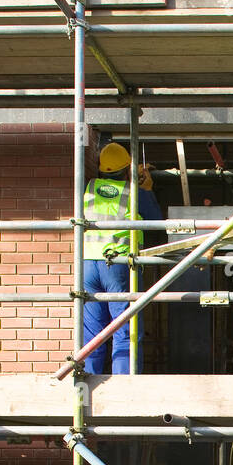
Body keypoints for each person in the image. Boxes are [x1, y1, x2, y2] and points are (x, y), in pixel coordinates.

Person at [82, 142, 162, 374]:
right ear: (127, 169)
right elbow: (155, 220)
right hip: (115, 264)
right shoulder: (132, 192)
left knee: (93, 332)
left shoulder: (89, 187)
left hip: (87, 265)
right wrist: (147, 188)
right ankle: (124, 385)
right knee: (124, 329)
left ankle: (88, 385)